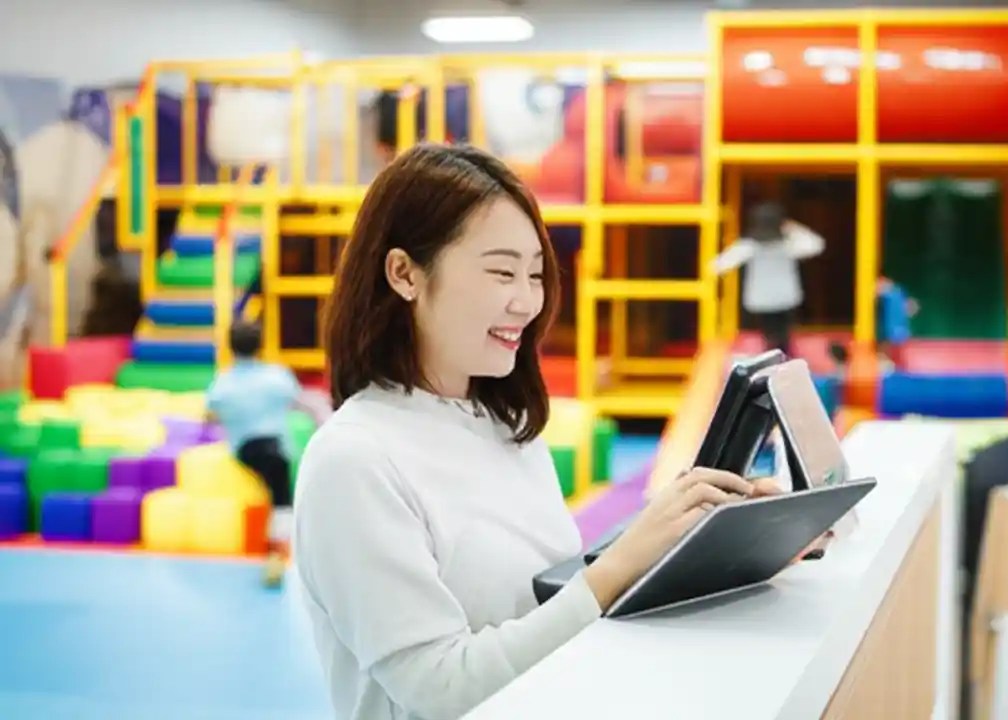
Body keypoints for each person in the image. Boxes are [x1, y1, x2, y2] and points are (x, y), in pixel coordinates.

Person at [292, 143, 777, 720]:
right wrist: (614, 570)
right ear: (404, 273)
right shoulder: (354, 460)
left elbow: (544, 608)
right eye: (502, 272)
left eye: (536, 274)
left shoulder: (506, 429)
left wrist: (733, 546)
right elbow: (442, 690)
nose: (526, 301)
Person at [205, 320, 302, 588]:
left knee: (278, 482)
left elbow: (209, 415)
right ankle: (277, 551)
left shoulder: (223, 382)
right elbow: (297, 402)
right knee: (281, 491)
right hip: (275, 448)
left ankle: (275, 550)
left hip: (246, 448)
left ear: (230, 347)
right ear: (261, 345)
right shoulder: (277, 376)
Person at [711, 202, 825, 356]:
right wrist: (793, 227)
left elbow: (718, 265)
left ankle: (770, 357)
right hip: (785, 298)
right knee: (783, 338)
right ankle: (782, 356)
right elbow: (816, 244)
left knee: (768, 337)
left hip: (761, 299)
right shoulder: (789, 245)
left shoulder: (748, 246)